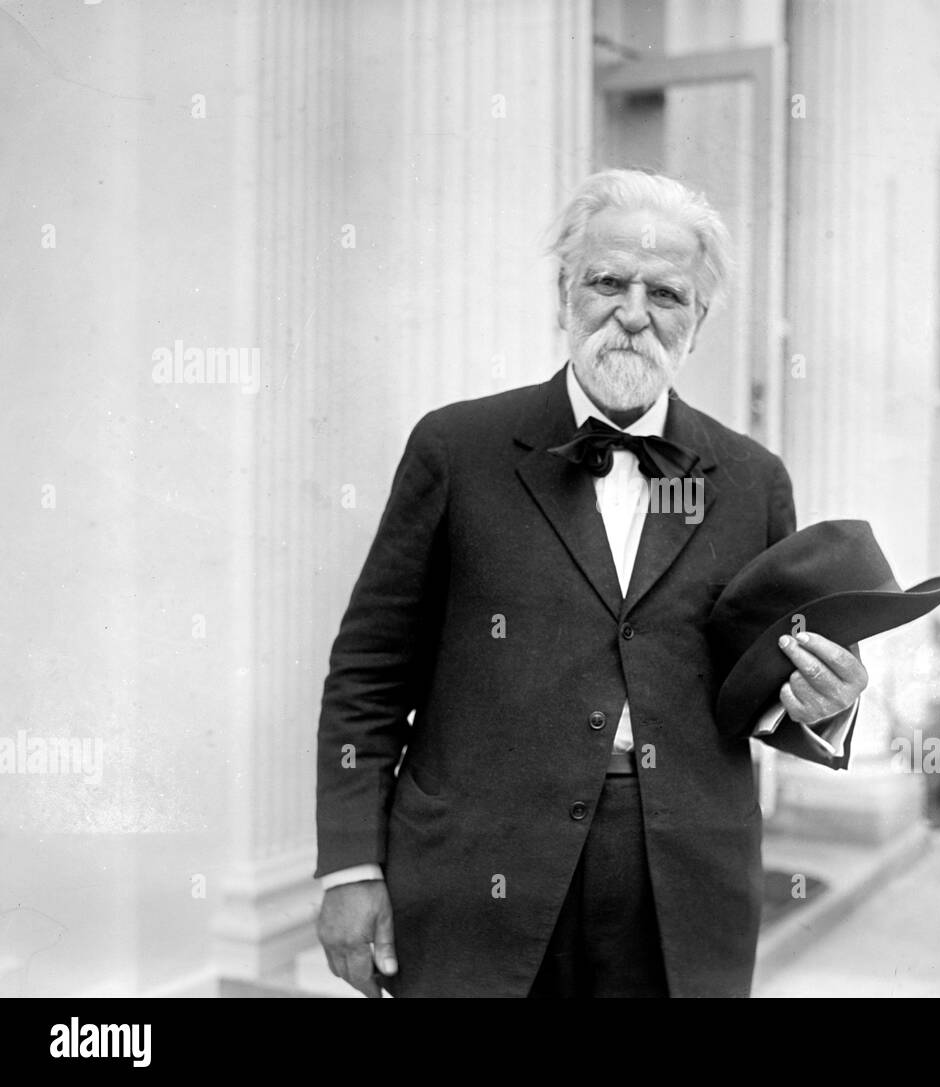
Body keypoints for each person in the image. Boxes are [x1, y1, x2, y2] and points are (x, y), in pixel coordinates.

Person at [314, 168, 868, 997]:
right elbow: (369, 671)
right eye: (609, 282)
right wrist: (349, 865)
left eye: (667, 295)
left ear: (699, 322)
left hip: (677, 890)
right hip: (477, 878)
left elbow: (761, 687)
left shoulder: (753, 480)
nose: (634, 314)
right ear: (564, 293)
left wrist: (828, 702)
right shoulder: (457, 449)